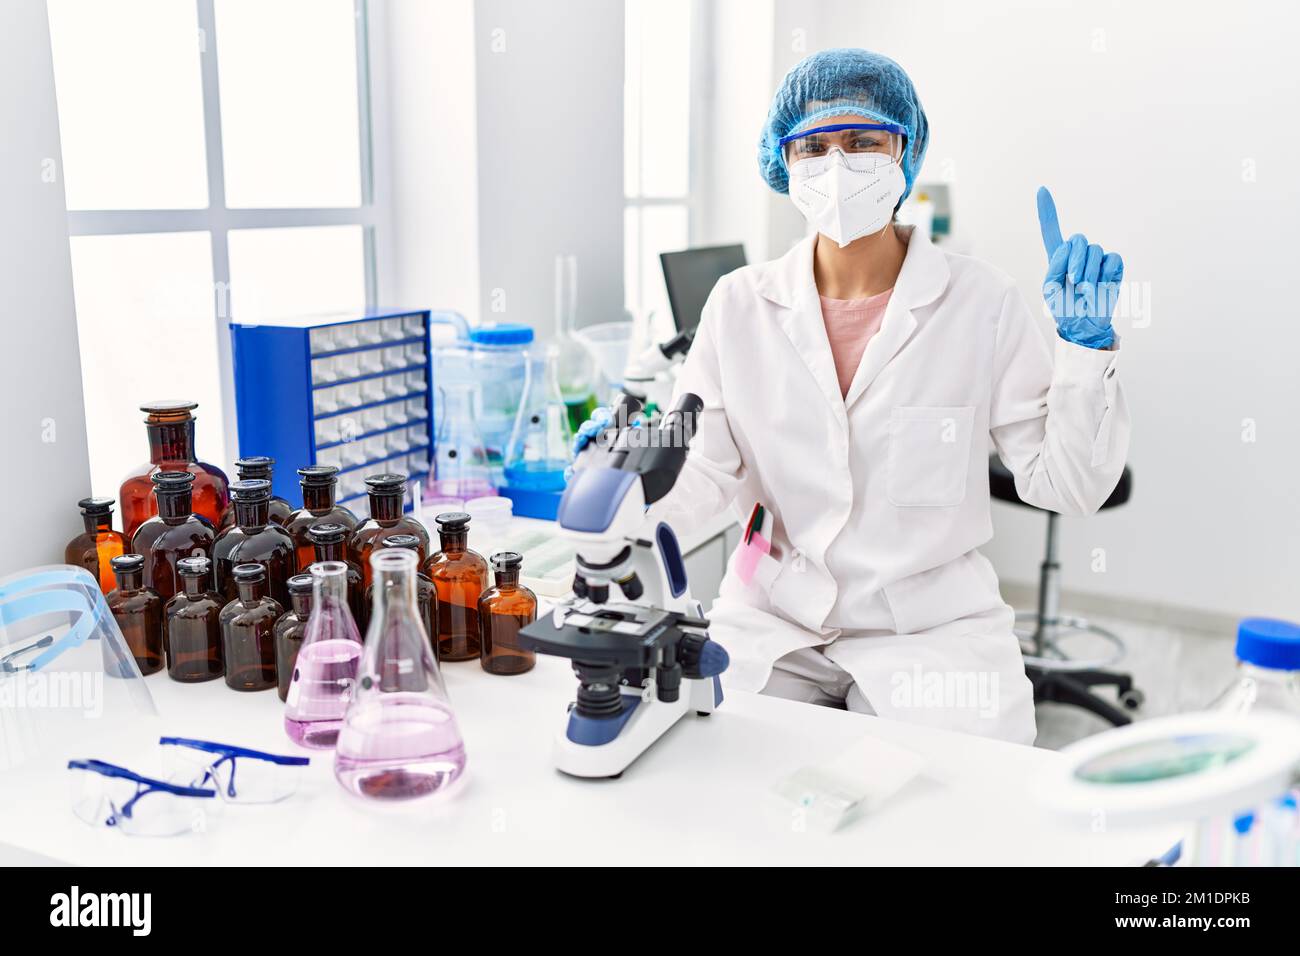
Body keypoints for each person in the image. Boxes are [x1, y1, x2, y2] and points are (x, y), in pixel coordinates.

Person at [580, 48, 1130, 745]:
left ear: (906, 146)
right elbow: (708, 480)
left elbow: (1071, 486)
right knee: (707, 771)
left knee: (961, 810)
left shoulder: (981, 302)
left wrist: (1086, 350)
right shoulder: (739, 305)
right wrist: (627, 485)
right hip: (773, 619)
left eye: (864, 141)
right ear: (785, 163)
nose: (837, 164)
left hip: (931, 630)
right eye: (813, 146)